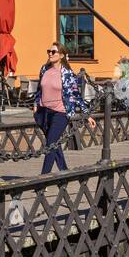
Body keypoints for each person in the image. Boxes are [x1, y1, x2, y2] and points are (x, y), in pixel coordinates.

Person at [35, 43, 96, 174]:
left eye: (53, 52)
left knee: (50, 145)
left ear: (61, 55)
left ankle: (43, 178)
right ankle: (64, 170)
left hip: (60, 113)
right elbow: (39, 89)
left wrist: (87, 115)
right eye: (49, 51)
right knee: (54, 142)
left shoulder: (67, 74)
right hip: (43, 113)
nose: (50, 54)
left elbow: (76, 95)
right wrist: (35, 105)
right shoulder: (44, 69)